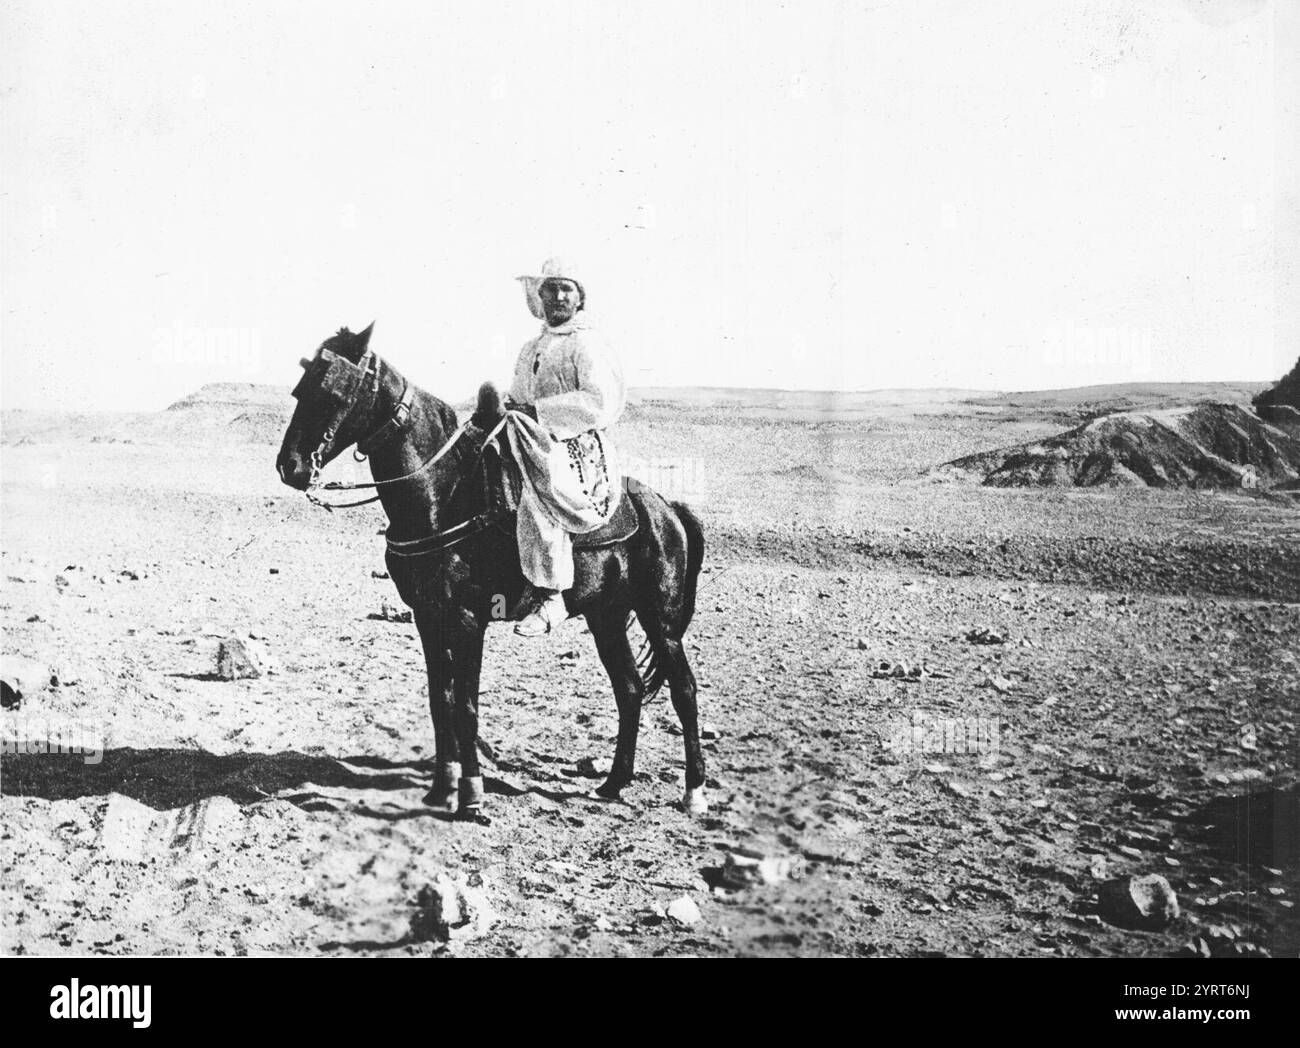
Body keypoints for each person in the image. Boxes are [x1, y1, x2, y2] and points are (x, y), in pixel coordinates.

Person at [504, 257, 626, 636]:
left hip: (576, 443)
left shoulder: (586, 342)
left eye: (565, 289)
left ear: (579, 297)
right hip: (531, 433)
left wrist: (538, 412)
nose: (557, 296)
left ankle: (551, 595)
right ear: (539, 295)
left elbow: (599, 402)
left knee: (540, 492)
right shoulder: (532, 346)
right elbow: (520, 394)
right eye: (550, 288)